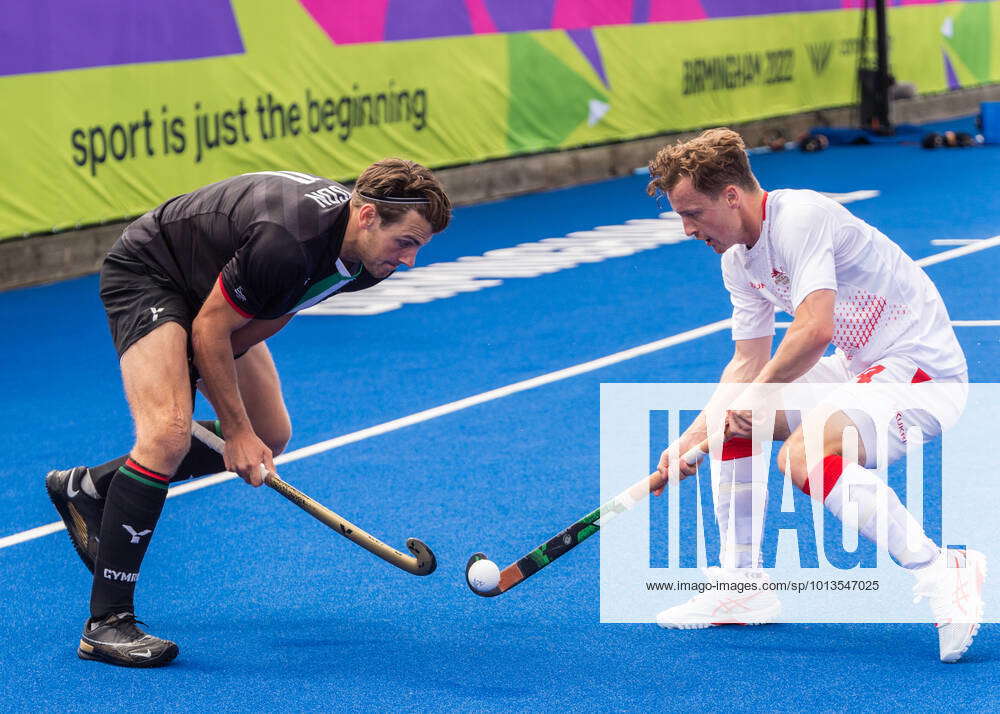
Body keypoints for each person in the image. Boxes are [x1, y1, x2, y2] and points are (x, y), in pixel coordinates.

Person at [46, 159, 451, 668]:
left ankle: (90, 487)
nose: (411, 260)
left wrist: (202, 376)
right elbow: (212, 329)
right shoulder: (288, 243)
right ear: (368, 216)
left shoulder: (364, 261)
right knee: (168, 435)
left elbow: (271, 312)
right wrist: (231, 429)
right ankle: (107, 624)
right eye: (406, 242)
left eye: (419, 247)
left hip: (217, 290)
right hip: (152, 274)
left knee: (271, 433)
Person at [645, 128, 984, 663]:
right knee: (735, 422)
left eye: (694, 212)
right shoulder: (736, 260)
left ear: (732, 196)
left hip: (921, 372)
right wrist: (692, 436)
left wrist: (751, 400)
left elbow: (813, 329)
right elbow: (747, 362)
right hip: (860, 370)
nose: (687, 228)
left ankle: (942, 568)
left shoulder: (800, 216)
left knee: (800, 455)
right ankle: (742, 587)